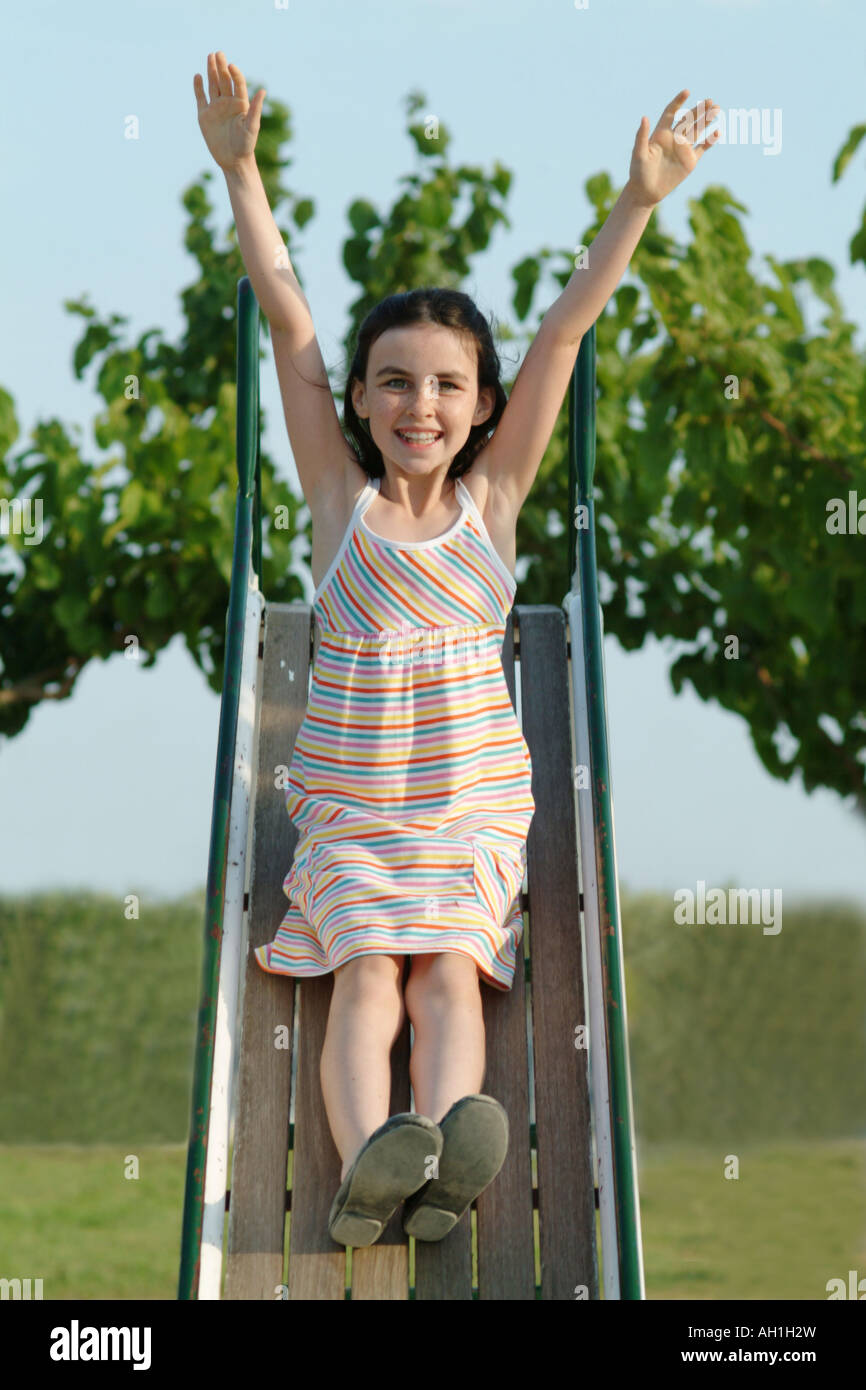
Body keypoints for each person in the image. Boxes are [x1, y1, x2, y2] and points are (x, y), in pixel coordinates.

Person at [194, 51, 719, 1249]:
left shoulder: (494, 503)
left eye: (443, 385)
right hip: (356, 811)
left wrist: (635, 201)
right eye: (390, 385)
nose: (415, 405)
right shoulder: (341, 504)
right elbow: (287, 323)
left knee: (445, 978)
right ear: (364, 403)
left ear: (480, 402)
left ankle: (439, 1160)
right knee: (369, 972)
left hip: (467, 810)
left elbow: (566, 330)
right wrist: (242, 173)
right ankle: (369, 1175)